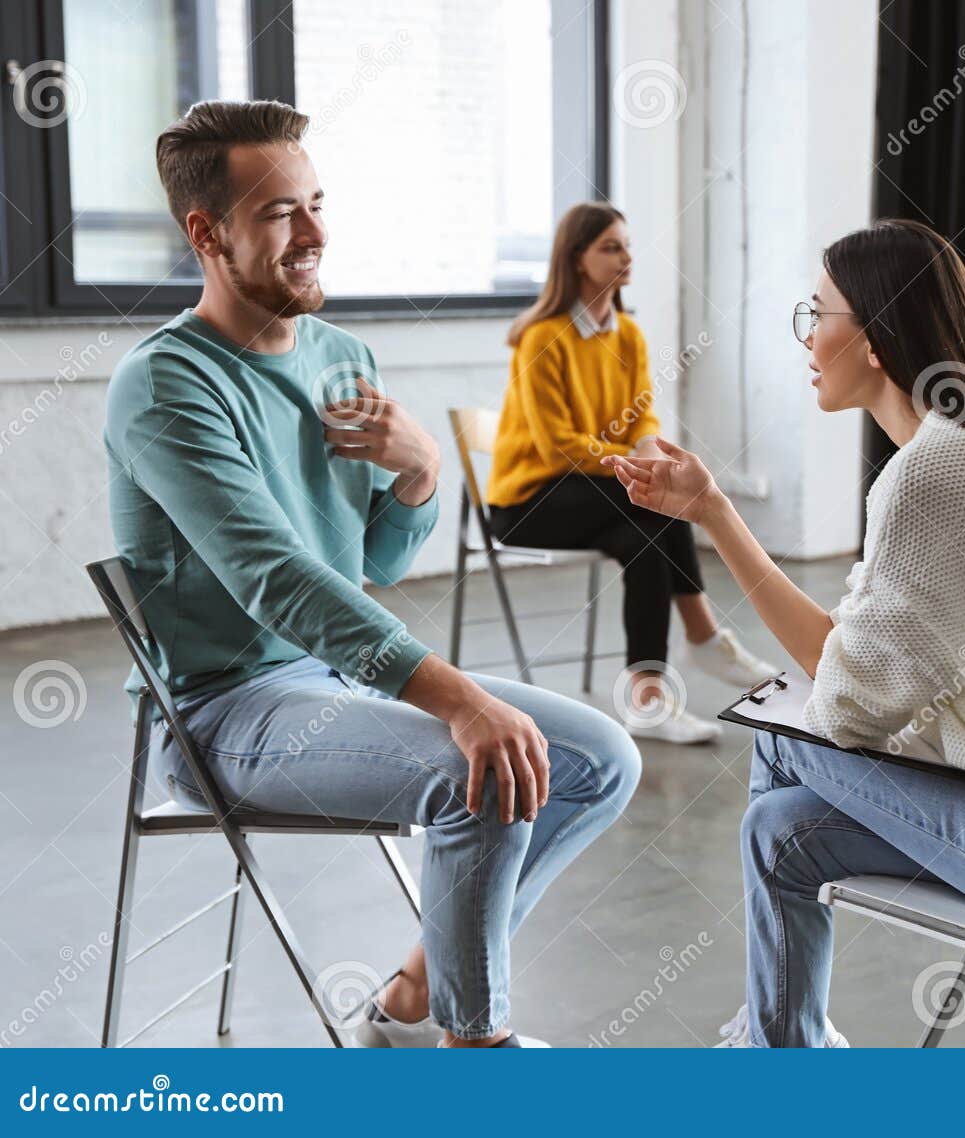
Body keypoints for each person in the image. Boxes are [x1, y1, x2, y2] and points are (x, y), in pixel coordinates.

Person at [106, 100, 640, 1048]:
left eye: (317, 203)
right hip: (226, 712)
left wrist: (420, 471)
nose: (315, 233)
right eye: (279, 214)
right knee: (478, 766)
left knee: (601, 759)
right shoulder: (167, 383)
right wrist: (459, 701)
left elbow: (369, 565)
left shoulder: (339, 356)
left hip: (335, 679)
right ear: (206, 232)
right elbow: (275, 579)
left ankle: (404, 1007)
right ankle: (475, 1051)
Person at [604, 219, 965, 1048]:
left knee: (776, 736)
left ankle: (778, 1055)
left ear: (878, 336)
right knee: (779, 832)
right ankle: (780, 1045)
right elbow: (856, 669)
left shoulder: (933, 471)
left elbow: (847, 709)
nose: (808, 336)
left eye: (819, 314)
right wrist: (713, 510)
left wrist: (719, 526)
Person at [489, 203, 775, 745]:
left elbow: (642, 414)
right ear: (577, 259)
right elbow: (558, 447)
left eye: (627, 245)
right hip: (528, 504)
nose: (627, 257)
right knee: (658, 504)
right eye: (611, 247)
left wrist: (645, 449)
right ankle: (706, 638)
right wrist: (638, 467)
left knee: (645, 535)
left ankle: (647, 702)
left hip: (601, 494)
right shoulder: (541, 338)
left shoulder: (628, 337)